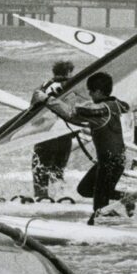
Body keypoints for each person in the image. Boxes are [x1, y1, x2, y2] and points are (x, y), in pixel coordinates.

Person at [33, 71, 129, 224]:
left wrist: (47, 99)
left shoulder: (101, 110)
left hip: (110, 162)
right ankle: (126, 199)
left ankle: (106, 225)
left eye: (91, 91)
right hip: (114, 160)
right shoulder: (116, 104)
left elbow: (71, 113)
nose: (89, 94)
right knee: (84, 190)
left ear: (98, 91)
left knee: (99, 208)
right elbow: (90, 118)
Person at [31, 60, 77, 199]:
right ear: (69, 72)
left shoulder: (43, 87)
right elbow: (73, 112)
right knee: (58, 171)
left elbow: (32, 109)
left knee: (40, 170)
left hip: (45, 134)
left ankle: (41, 198)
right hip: (64, 134)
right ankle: (61, 198)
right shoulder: (73, 86)